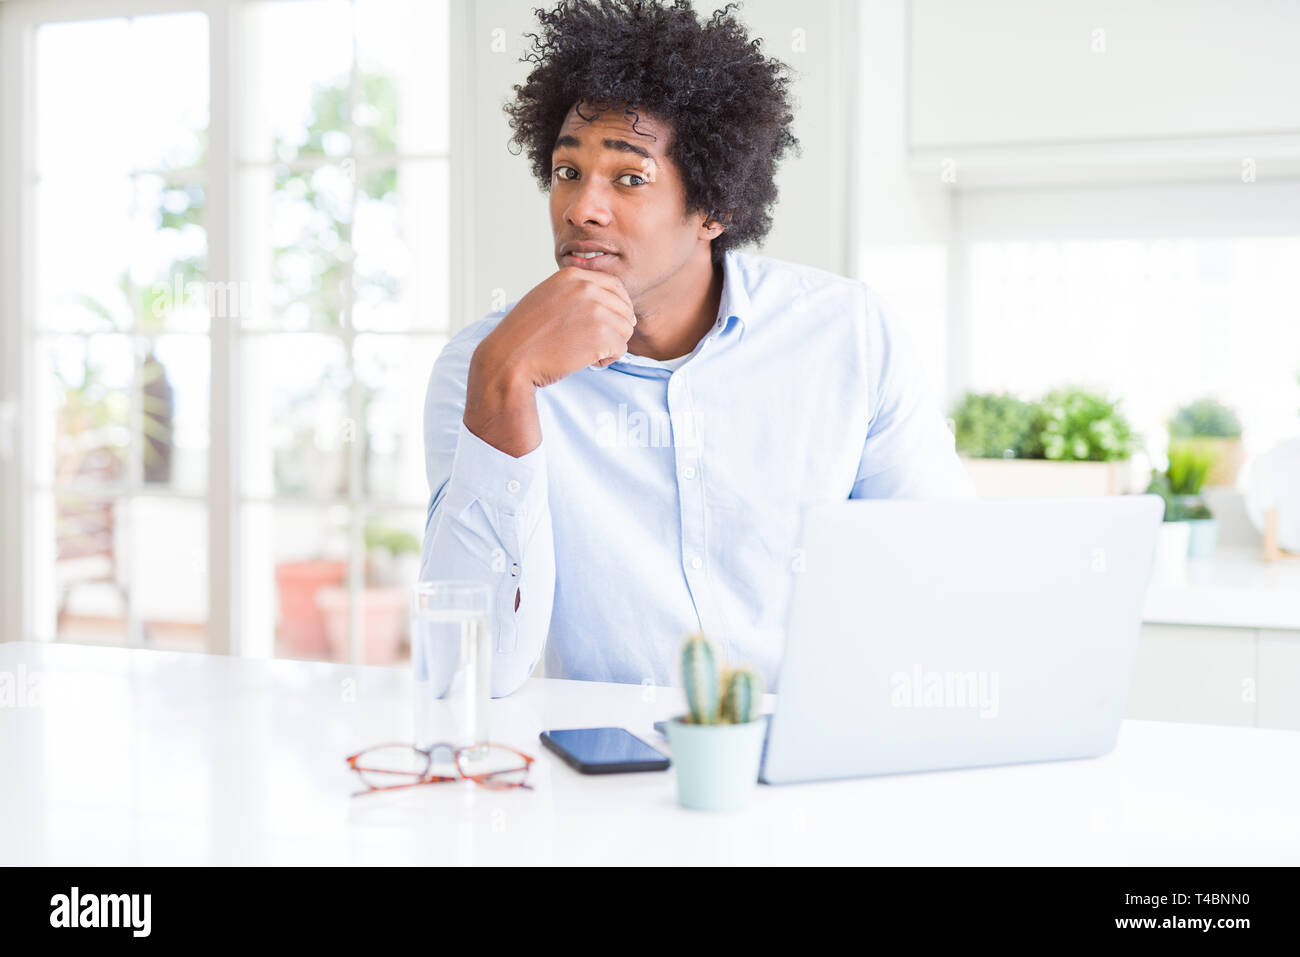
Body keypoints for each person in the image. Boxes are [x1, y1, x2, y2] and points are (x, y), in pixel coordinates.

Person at [421, 0, 974, 696]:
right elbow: (466, 674)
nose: (581, 208)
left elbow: (938, 584)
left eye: (630, 178)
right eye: (567, 171)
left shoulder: (848, 336)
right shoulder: (484, 365)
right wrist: (504, 382)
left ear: (715, 207)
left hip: (813, 746)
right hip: (604, 759)